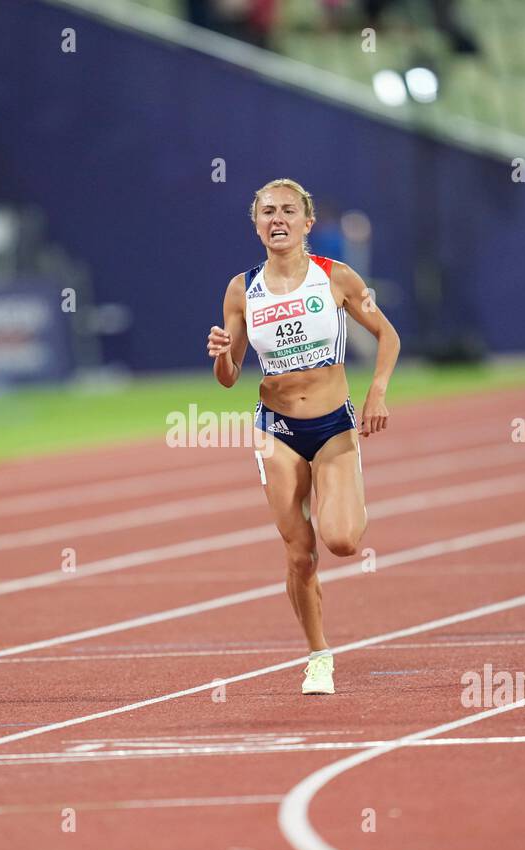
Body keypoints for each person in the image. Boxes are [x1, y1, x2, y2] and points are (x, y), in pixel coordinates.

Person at [208, 178, 400, 694]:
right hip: (277, 429)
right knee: (299, 552)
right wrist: (223, 354)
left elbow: (388, 334)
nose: (278, 219)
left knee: (341, 540)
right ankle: (318, 656)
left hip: (334, 424)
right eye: (267, 211)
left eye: (288, 211)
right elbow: (229, 377)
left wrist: (377, 392)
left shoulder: (334, 277)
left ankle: (347, 494)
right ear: (256, 223)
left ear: (307, 222)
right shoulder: (240, 289)